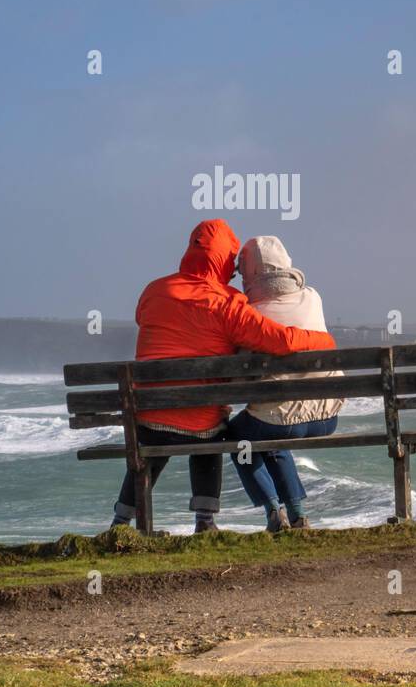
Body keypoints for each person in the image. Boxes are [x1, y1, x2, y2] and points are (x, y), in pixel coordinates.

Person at [111, 219, 336, 534]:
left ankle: (121, 523)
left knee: (156, 435)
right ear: (225, 262)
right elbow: (282, 340)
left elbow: (142, 317)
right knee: (212, 432)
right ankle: (205, 522)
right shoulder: (230, 304)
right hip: (201, 424)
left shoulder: (154, 291)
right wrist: (325, 343)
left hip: (148, 419)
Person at [227, 236, 342, 532]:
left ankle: (274, 511)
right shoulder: (313, 298)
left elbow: (238, 378)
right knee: (272, 425)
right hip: (327, 418)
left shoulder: (252, 317)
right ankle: (298, 514)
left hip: (279, 421)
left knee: (239, 436)